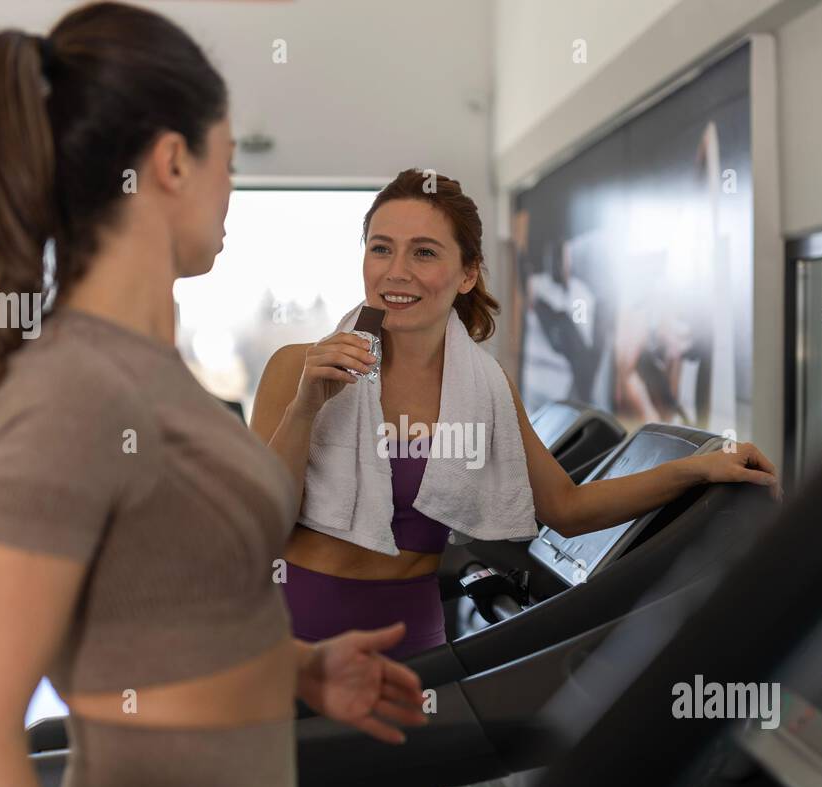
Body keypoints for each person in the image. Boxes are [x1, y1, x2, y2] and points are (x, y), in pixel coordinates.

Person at [0, 1, 425, 787]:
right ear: (170, 162)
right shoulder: (70, 392)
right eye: (226, 162)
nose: (230, 190)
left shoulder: (156, 376)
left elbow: (158, 615)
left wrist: (301, 670)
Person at [252, 169, 780, 664]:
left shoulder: (482, 387)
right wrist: (305, 409)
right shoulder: (297, 368)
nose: (397, 271)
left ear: (466, 274)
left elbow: (566, 508)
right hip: (287, 637)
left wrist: (697, 467)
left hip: (413, 645)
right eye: (381, 249)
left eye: (425, 252)